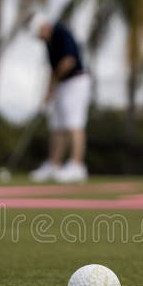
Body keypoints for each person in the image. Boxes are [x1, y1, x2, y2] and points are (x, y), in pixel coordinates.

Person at [26, 12, 91, 183]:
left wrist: (53, 84)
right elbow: (53, 70)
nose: (40, 38)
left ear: (43, 26)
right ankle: (54, 165)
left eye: (39, 34)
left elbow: (68, 62)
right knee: (57, 125)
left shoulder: (61, 32)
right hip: (62, 84)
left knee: (74, 123)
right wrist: (48, 93)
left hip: (76, 81)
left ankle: (77, 166)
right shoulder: (48, 43)